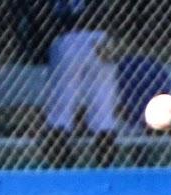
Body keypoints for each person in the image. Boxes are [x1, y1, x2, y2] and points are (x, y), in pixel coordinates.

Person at [40, 0, 117, 168]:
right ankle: (106, 163)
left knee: (61, 106)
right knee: (103, 106)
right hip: (99, 37)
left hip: (67, 37)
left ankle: (61, 161)